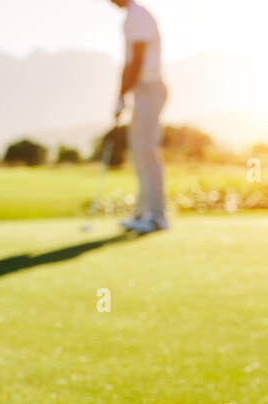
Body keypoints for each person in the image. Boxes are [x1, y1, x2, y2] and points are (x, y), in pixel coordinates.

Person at [110, 0, 168, 233]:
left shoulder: (138, 15)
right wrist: (121, 94)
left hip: (150, 87)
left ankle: (156, 216)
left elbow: (137, 61)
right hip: (141, 88)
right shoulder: (131, 17)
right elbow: (128, 63)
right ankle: (143, 212)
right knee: (139, 151)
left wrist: (124, 92)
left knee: (147, 151)